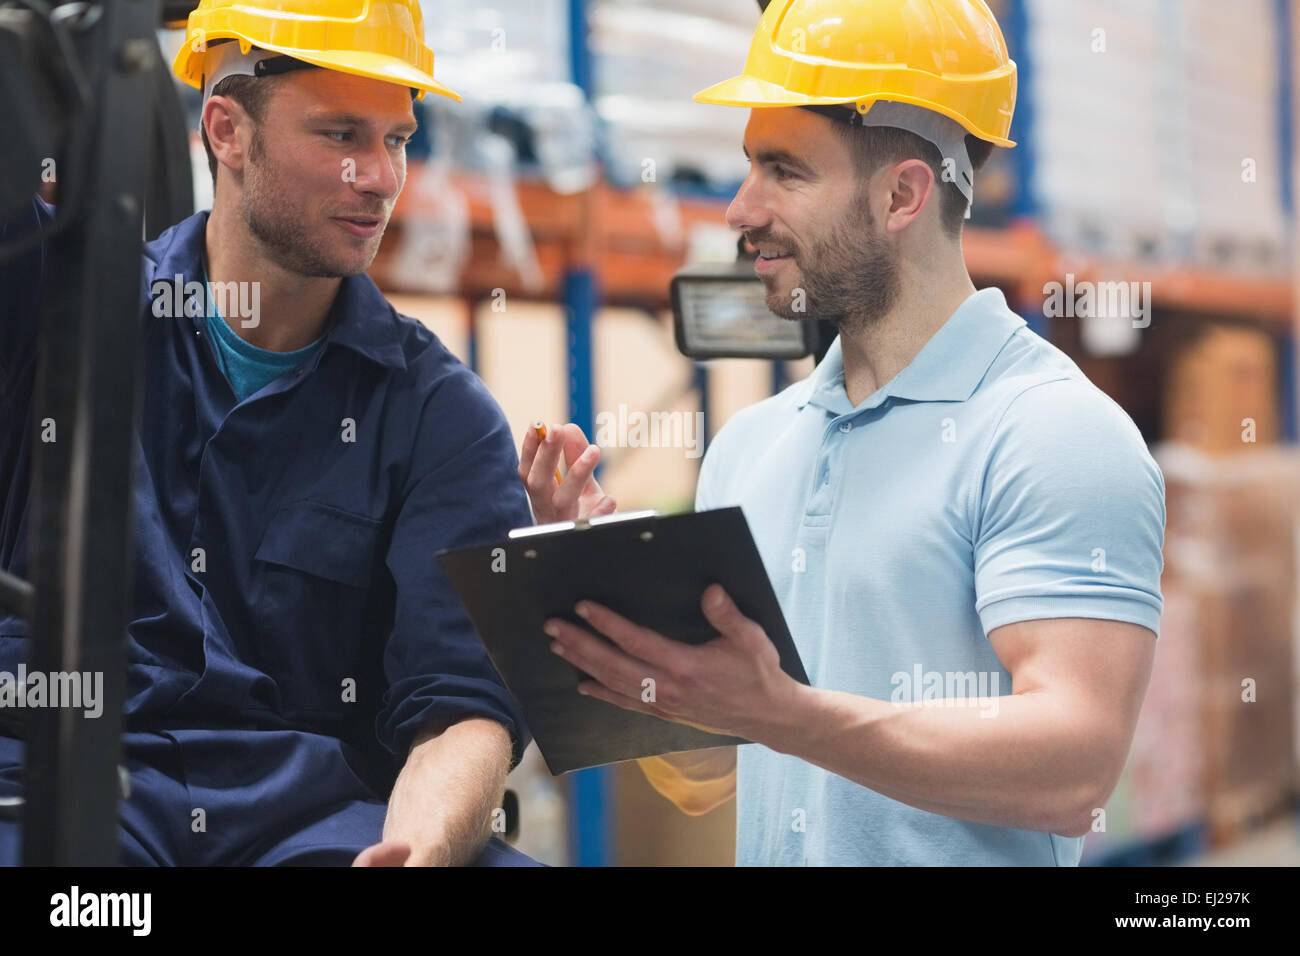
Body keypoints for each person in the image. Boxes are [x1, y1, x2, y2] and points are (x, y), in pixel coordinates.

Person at [520, 0, 1164, 865]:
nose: (740, 210)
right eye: (747, 166)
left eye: (783, 171)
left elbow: (1075, 767)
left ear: (902, 193)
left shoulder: (1053, 433)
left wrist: (790, 714)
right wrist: (613, 599)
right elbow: (711, 763)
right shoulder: (753, 446)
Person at [0, 0, 538, 866]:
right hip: (54, 770)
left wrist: (420, 849)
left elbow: (461, 706)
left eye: (397, 140)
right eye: (341, 136)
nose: (381, 177)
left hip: (294, 817)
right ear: (226, 131)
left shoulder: (443, 417)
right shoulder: (61, 310)